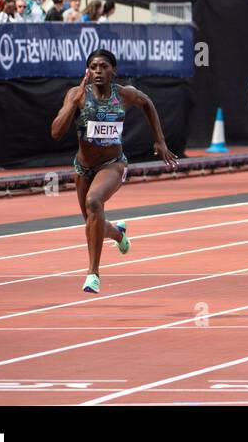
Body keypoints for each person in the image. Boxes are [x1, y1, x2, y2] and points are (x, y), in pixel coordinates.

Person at [51, 49, 178, 293]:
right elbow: (56, 133)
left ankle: (93, 274)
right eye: (94, 67)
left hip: (113, 164)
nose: (98, 71)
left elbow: (148, 103)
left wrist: (159, 140)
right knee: (92, 221)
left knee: (94, 201)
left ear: (113, 71)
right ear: (88, 71)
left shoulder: (124, 94)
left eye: (104, 67)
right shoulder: (77, 95)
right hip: (83, 167)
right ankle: (118, 233)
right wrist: (75, 101)